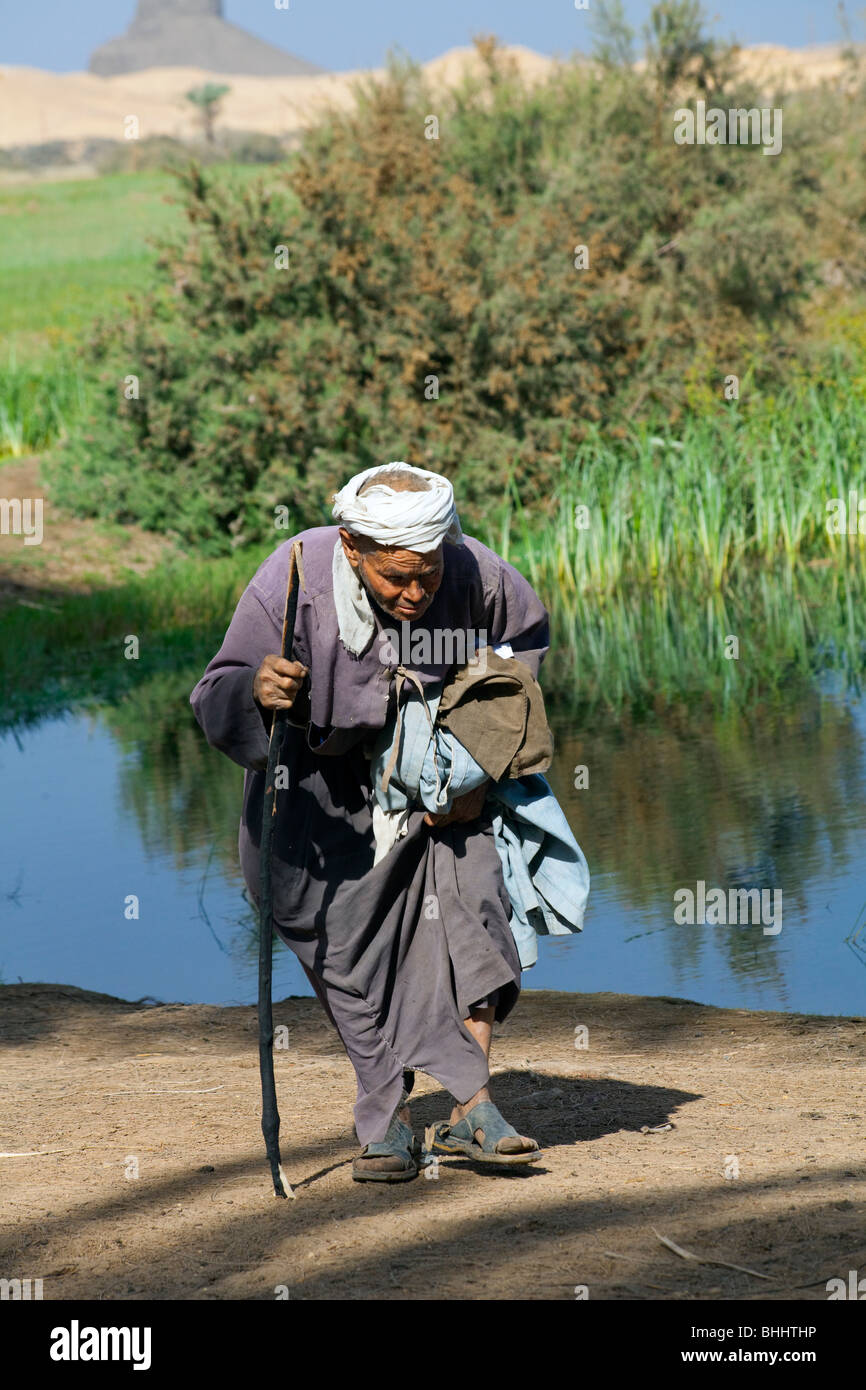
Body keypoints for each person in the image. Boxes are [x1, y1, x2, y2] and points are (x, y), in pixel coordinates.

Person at [190, 462, 551, 1181]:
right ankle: (386, 1118)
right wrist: (258, 691)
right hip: (318, 797)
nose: (416, 592)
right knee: (342, 950)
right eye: (396, 578)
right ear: (353, 548)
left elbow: (521, 655)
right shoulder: (293, 578)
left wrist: (475, 761)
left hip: (440, 787)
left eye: (428, 573)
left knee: (477, 911)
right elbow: (216, 689)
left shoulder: (477, 574)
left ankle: (469, 1108)